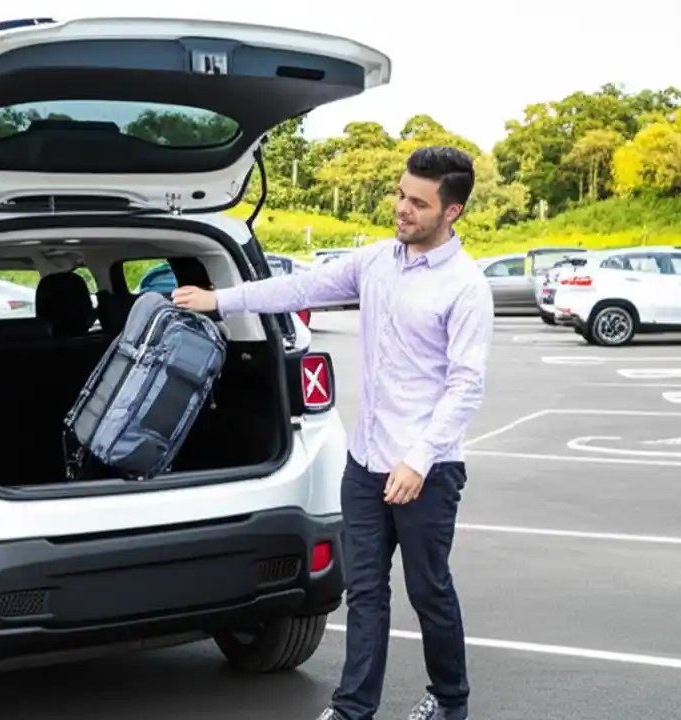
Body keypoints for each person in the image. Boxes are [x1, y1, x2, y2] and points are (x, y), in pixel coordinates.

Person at [173, 146, 493, 720]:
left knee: (429, 593)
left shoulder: (465, 287)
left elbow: (466, 386)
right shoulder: (375, 262)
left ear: (453, 212)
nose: (403, 208)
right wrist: (219, 300)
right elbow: (298, 290)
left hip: (426, 471)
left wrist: (417, 461)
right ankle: (352, 709)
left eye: (418, 203)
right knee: (365, 593)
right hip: (366, 465)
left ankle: (450, 701)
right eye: (401, 194)